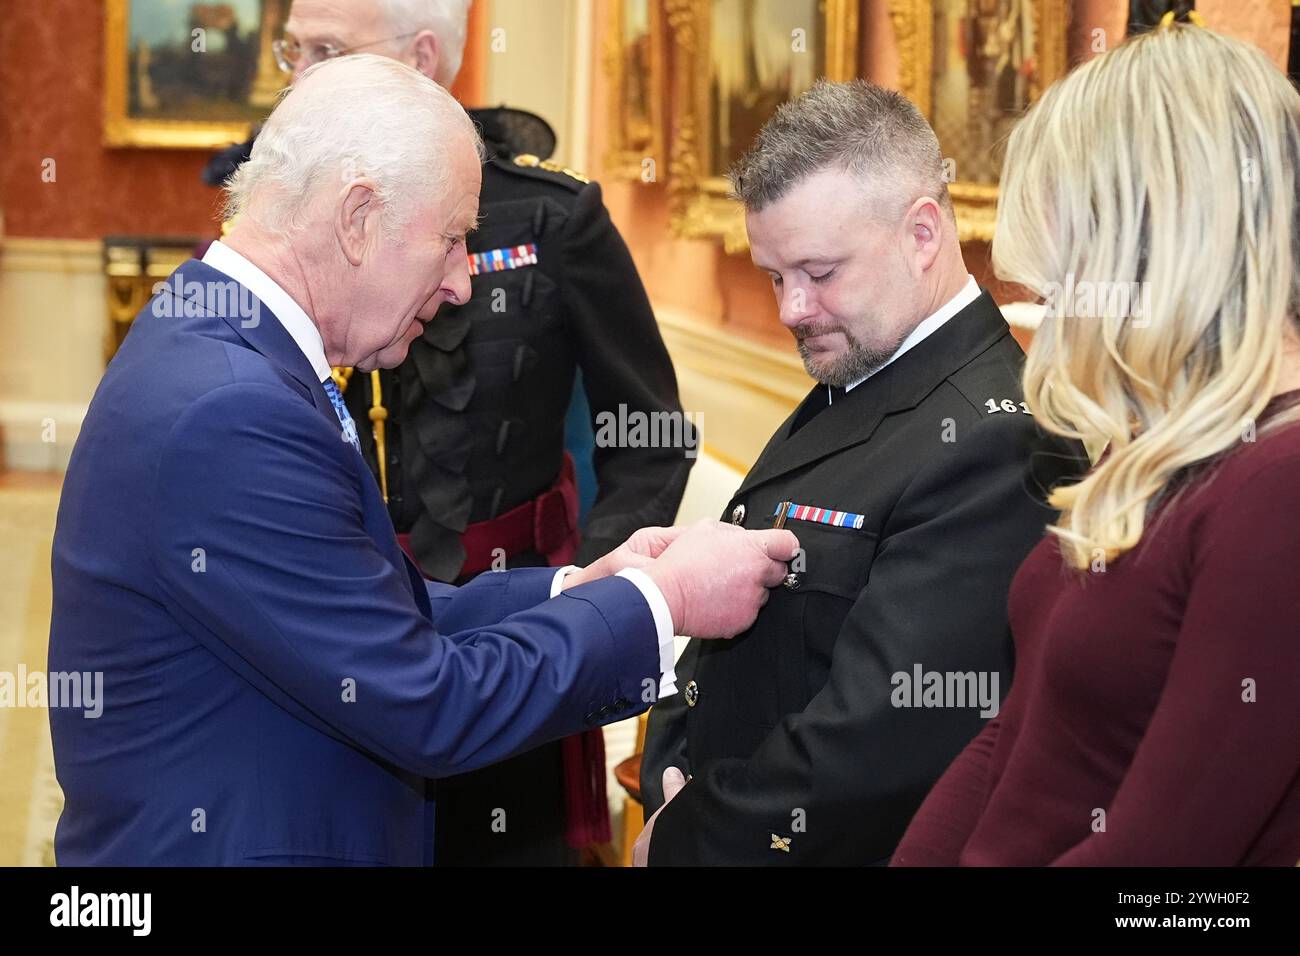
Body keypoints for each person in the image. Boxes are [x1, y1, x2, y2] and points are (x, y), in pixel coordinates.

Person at [47, 55, 797, 867]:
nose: (462, 282)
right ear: (358, 217)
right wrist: (666, 598)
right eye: (450, 240)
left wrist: (579, 587)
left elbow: (367, 612)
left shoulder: (225, 344)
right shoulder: (233, 409)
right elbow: (429, 703)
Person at [203, 0, 695, 866]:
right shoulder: (292, 212)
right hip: (339, 616)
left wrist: (598, 583)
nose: (299, 77)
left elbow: (648, 426)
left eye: (328, 50)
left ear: (422, 55)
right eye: (295, 50)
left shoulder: (550, 217)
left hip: (515, 621)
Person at [636, 79, 1087, 866]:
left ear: (921, 234)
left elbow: (878, 745)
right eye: (776, 275)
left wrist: (685, 839)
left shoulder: (993, 440)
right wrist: (668, 773)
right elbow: (719, 650)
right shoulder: (862, 375)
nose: (791, 309)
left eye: (819, 271)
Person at [893, 21, 1300, 867]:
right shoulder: (1166, 440)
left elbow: (1164, 860)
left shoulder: (1278, 484)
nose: (1054, 311)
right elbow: (1021, 735)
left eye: (1069, 269)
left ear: (1157, 247)